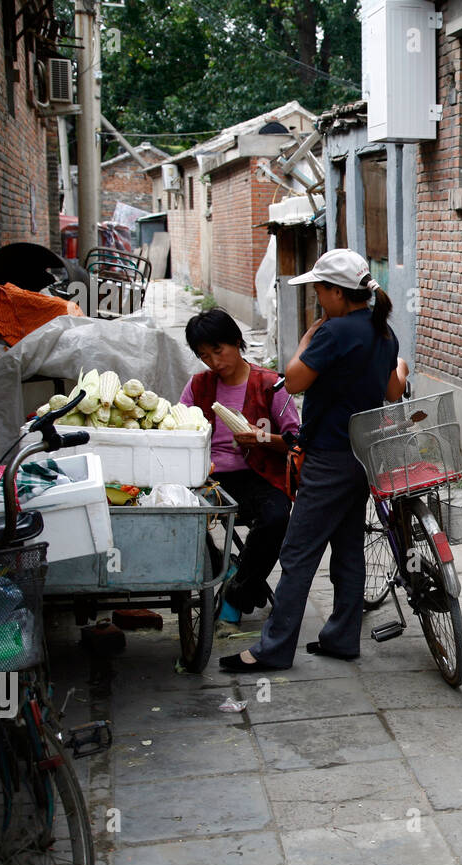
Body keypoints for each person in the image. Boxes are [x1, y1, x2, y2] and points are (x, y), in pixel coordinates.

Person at [219, 249, 405, 672]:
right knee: (347, 548)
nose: (318, 296)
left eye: (320, 288)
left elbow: (295, 380)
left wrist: (304, 342)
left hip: (328, 457)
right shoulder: (383, 331)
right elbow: (394, 393)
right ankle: (341, 637)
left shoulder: (333, 332)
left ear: (338, 293)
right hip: (363, 455)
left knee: (298, 553)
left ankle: (272, 649)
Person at [180, 309, 300, 629]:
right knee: (182, 516)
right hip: (211, 478)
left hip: (260, 474)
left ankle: (237, 593)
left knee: (276, 518)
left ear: (236, 342)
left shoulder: (270, 385)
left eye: (219, 351)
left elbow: (297, 441)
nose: (215, 362)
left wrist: (261, 437)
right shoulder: (198, 387)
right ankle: (226, 567)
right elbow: (178, 428)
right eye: (205, 356)